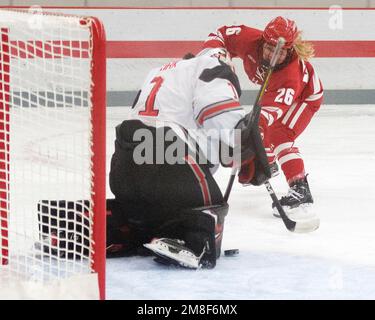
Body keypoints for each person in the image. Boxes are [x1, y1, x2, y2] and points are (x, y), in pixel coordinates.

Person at [106, 50, 269, 269]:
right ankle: (190, 241)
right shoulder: (212, 65)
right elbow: (218, 113)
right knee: (212, 206)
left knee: (139, 211)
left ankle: (110, 226)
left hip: (123, 164)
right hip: (166, 155)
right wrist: (244, 148)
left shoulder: (160, 73)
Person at [201, 16, 323, 217]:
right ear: (262, 41)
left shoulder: (289, 78)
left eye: (281, 51)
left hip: (305, 96)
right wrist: (214, 59)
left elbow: (264, 119)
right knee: (261, 136)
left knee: (278, 135)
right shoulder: (248, 39)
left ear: (289, 50)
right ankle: (270, 164)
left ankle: (300, 189)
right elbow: (220, 34)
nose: (272, 55)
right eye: (269, 47)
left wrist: (250, 133)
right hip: (281, 92)